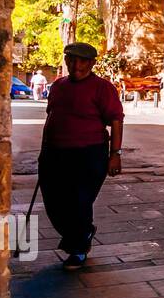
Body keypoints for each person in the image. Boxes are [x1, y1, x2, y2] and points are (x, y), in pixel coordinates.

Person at [38, 43, 124, 271]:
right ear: (66, 61)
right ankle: (82, 232)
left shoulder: (103, 88)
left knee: (79, 202)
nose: (77, 65)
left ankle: (77, 248)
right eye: (72, 60)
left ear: (92, 63)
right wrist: (44, 150)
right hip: (55, 153)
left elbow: (116, 120)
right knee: (54, 202)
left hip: (89, 153)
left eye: (83, 61)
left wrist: (115, 154)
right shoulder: (58, 86)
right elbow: (51, 116)